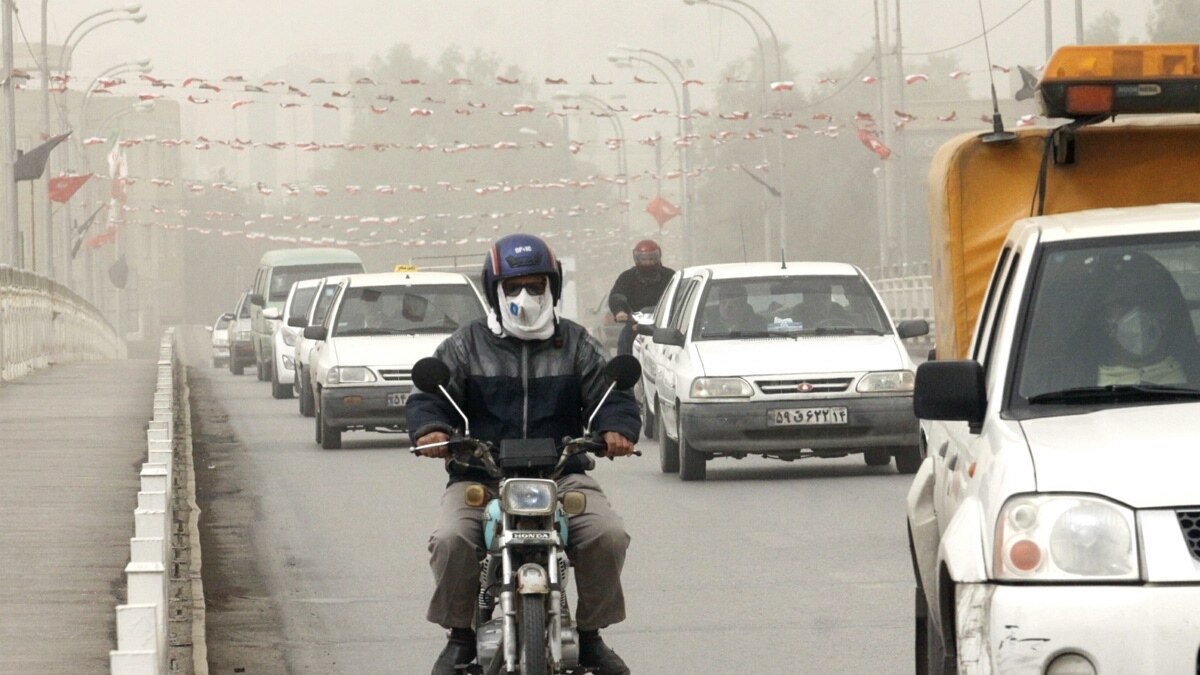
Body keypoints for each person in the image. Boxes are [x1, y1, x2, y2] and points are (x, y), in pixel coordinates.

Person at [407, 233, 640, 675]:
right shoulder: (466, 344)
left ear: (552, 287)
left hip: (562, 474)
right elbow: (429, 396)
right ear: (495, 290)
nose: (525, 296)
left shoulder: (576, 343)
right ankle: (460, 635)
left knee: (608, 535)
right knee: (451, 539)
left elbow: (614, 395)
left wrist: (617, 429)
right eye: (513, 286)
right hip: (481, 475)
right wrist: (431, 429)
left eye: (535, 285)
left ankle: (590, 637)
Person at [608, 239, 675, 354]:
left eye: (651, 258)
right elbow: (617, 295)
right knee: (624, 341)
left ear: (658, 257)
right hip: (635, 326)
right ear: (636, 258)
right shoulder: (627, 277)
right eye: (643, 259)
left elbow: (679, 296)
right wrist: (620, 311)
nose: (648, 263)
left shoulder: (670, 276)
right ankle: (626, 370)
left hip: (663, 326)